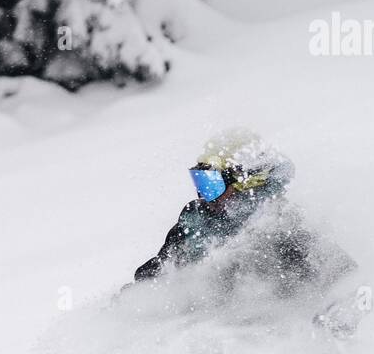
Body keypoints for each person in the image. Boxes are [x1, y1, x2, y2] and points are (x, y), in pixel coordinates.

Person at [130, 130, 359, 324]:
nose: (205, 196)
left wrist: (333, 319)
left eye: (212, 185)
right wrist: (129, 306)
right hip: (191, 336)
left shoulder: (284, 228)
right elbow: (156, 275)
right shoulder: (196, 223)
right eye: (200, 183)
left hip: (258, 345)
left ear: (247, 183)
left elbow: (345, 280)